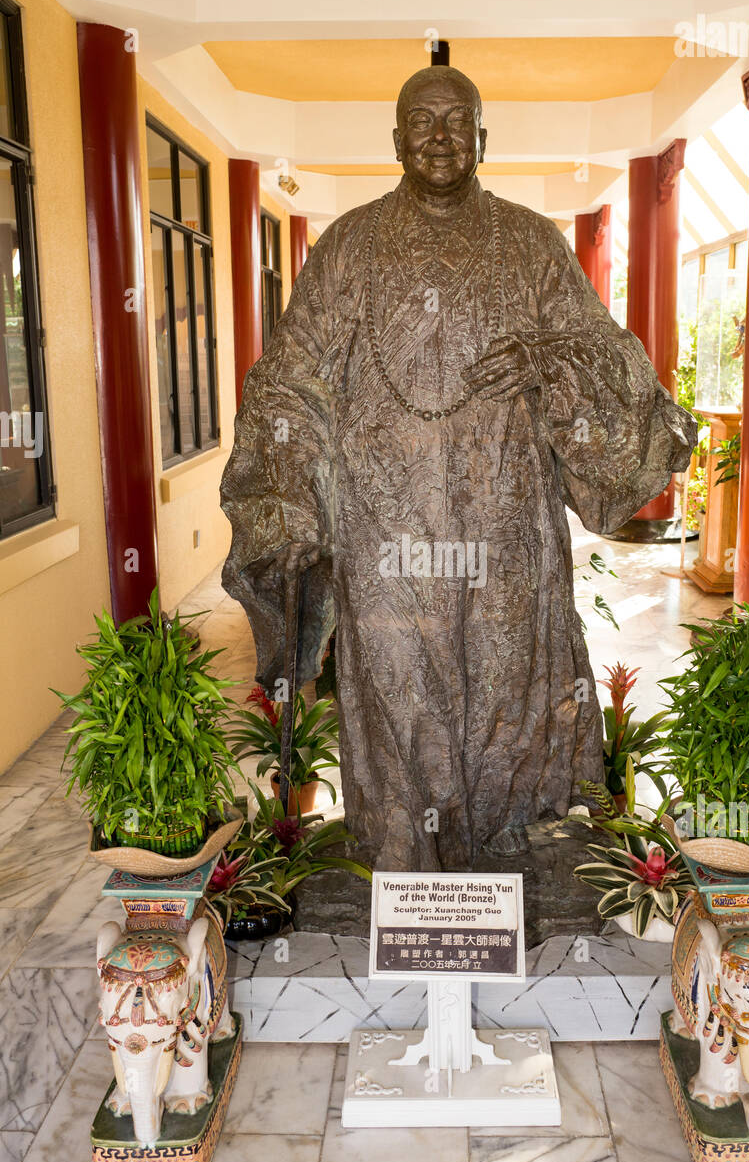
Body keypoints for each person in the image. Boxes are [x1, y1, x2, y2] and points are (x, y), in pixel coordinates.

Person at [220, 65, 696, 871]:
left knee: (509, 689)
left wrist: (550, 359)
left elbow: (607, 352)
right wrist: (289, 495)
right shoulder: (350, 246)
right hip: (384, 534)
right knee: (399, 697)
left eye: (456, 121)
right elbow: (291, 373)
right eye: (420, 120)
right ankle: (406, 866)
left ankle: (512, 862)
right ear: (396, 137)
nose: (438, 135)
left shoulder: (532, 241)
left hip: (505, 523)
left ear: (482, 137)